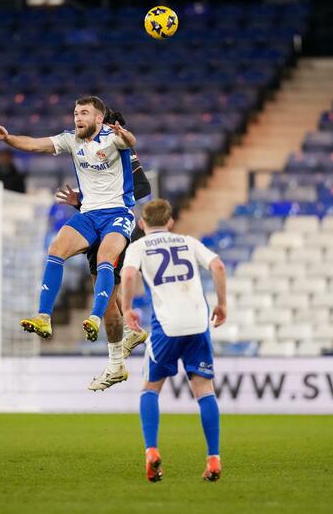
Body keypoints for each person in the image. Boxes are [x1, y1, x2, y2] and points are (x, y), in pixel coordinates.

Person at [0, 95, 137, 389]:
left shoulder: (112, 139)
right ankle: (43, 316)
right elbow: (34, 144)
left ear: (98, 118)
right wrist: (8, 139)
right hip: (89, 214)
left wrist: (125, 134)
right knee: (55, 250)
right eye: (75, 113)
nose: (77, 117)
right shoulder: (71, 140)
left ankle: (94, 317)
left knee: (106, 258)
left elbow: (130, 142)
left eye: (83, 113)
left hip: (118, 214)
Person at [120, 198, 227, 483]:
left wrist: (127, 308)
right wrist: (222, 304)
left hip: (166, 326)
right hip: (197, 322)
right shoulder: (188, 242)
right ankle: (213, 458)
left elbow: (128, 274)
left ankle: (152, 451)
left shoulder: (138, 246)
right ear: (170, 222)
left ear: (141, 225)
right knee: (205, 391)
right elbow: (218, 267)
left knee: (150, 389)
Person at [53, 108, 150, 390]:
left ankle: (116, 365)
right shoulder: (91, 150)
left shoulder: (118, 149)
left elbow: (141, 186)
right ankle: (130, 336)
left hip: (115, 224)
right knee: (106, 293)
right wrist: (82, 201)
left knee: (106, 298)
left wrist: (88, 200)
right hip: (99, 223)